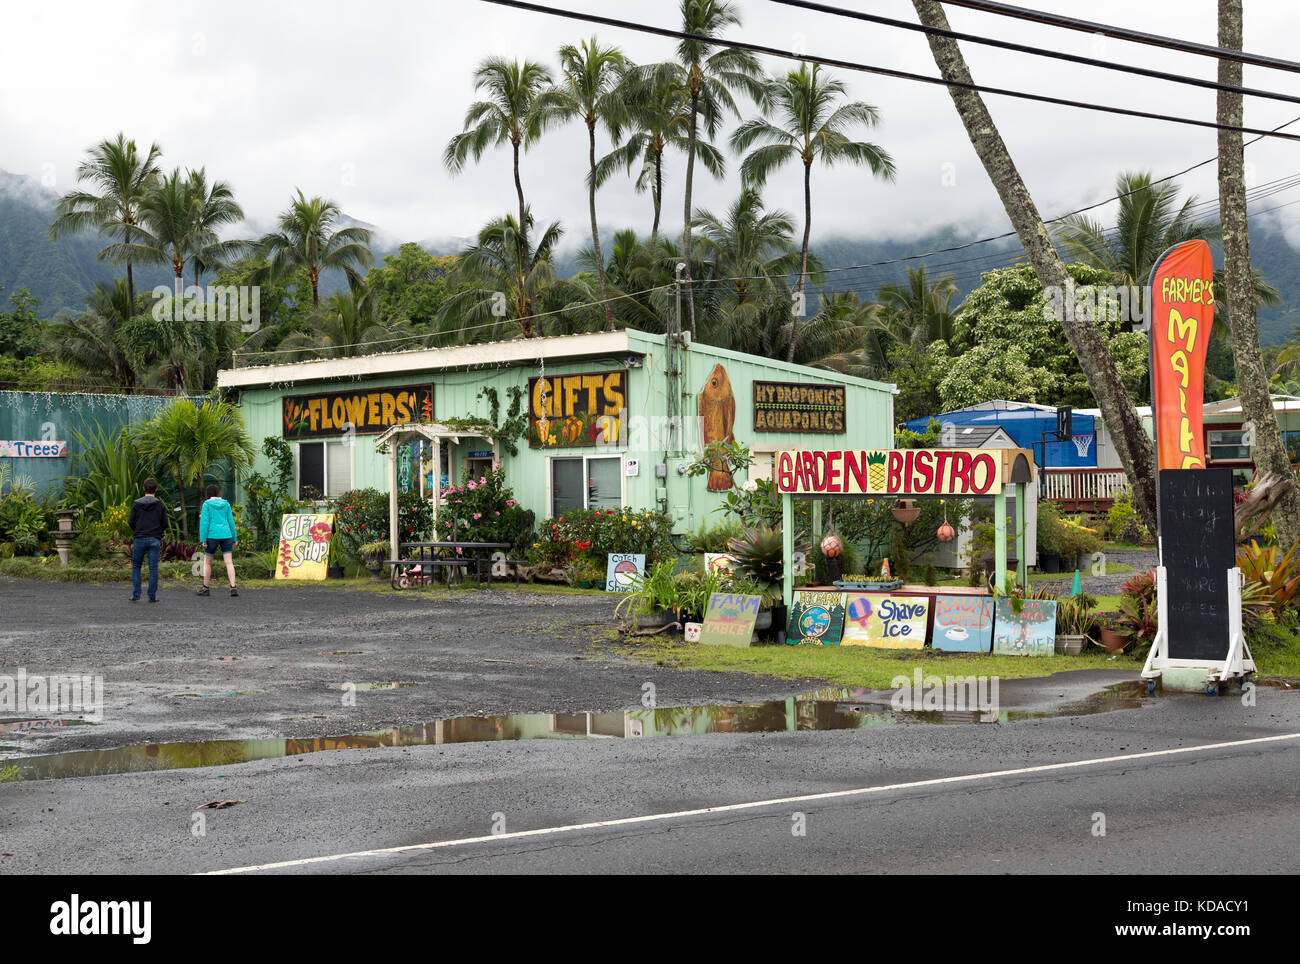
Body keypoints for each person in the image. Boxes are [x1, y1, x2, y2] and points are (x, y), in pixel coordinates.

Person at [128, 477, 166, 602]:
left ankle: (136, 594)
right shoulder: (160, 504)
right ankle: (152, 596)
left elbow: (130, 521)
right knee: (153, 568)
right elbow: (165, 523)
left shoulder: (136, 503)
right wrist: (158, 533)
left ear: (144, 488)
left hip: (139, 538)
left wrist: (137, 530)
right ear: (156, 489)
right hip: (154, 539)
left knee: (136, 566)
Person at [197, 483, 239, 597]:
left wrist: (203, 539)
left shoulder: (207, 504)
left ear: (208, 494)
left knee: (207, 562)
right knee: (229, 562)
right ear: (218, 493)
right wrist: (234, 538)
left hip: (212, 535)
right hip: (226, 535)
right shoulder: (226, 504)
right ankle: (233, 587)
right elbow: (231, 521)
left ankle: (205, 588)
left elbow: (204, 522)